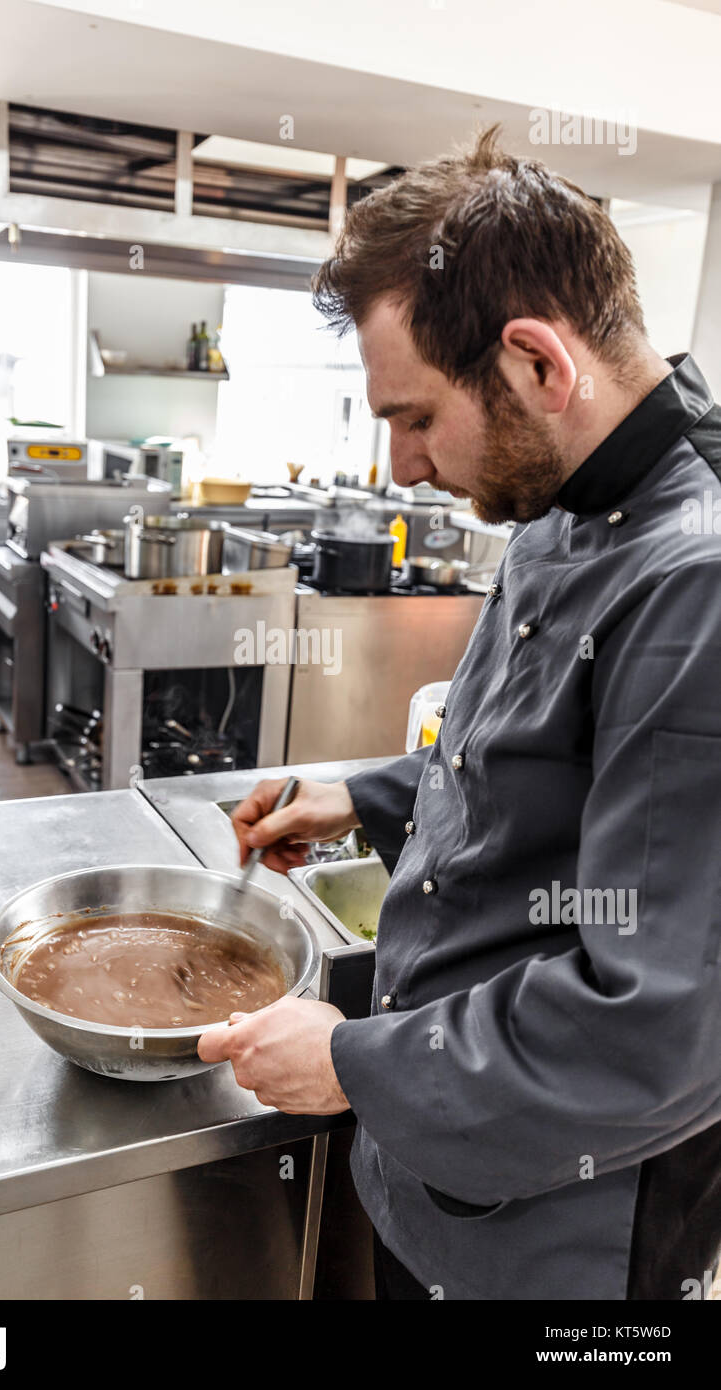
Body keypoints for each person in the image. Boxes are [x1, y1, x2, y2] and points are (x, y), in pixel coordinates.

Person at [198, 127, 721, 1300]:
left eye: (416, 416)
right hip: (434, 1182)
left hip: (564, 1242)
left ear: (537, 363)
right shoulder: (558, 496)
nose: (399, 465)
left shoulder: (697, 581)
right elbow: (538, 770)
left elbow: (656, 1025)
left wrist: (353, 1067)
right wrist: (366, 796)